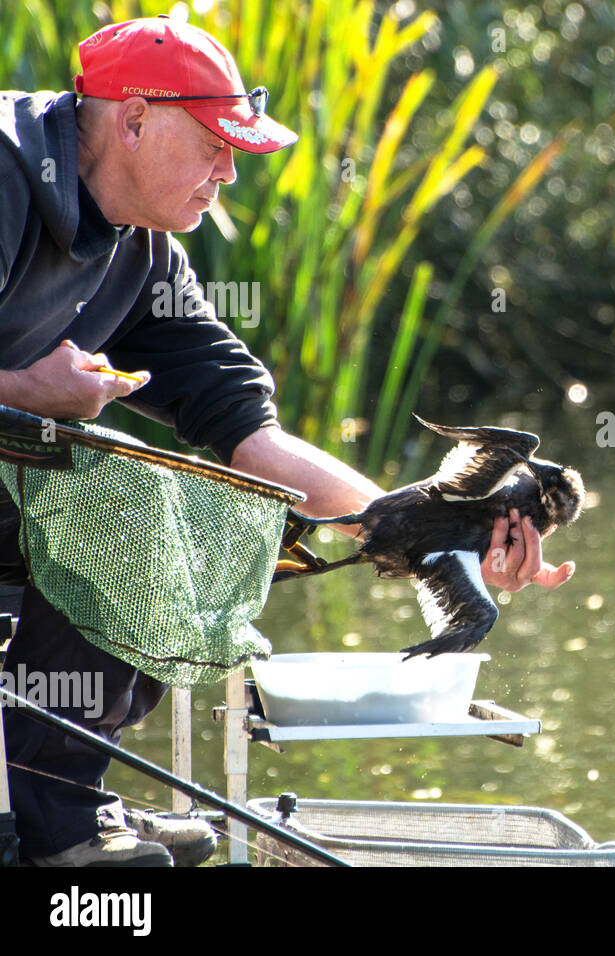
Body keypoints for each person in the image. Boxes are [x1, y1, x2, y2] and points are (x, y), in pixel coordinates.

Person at [0, 15, 574, 866]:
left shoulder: (145, 251)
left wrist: (430, 530)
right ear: (134, 119)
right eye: (214, 147)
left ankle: (66, 816)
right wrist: (20, 391)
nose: (229, 173)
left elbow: (245, 432)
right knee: (119, 511)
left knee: (167, 526)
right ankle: (57, 832)